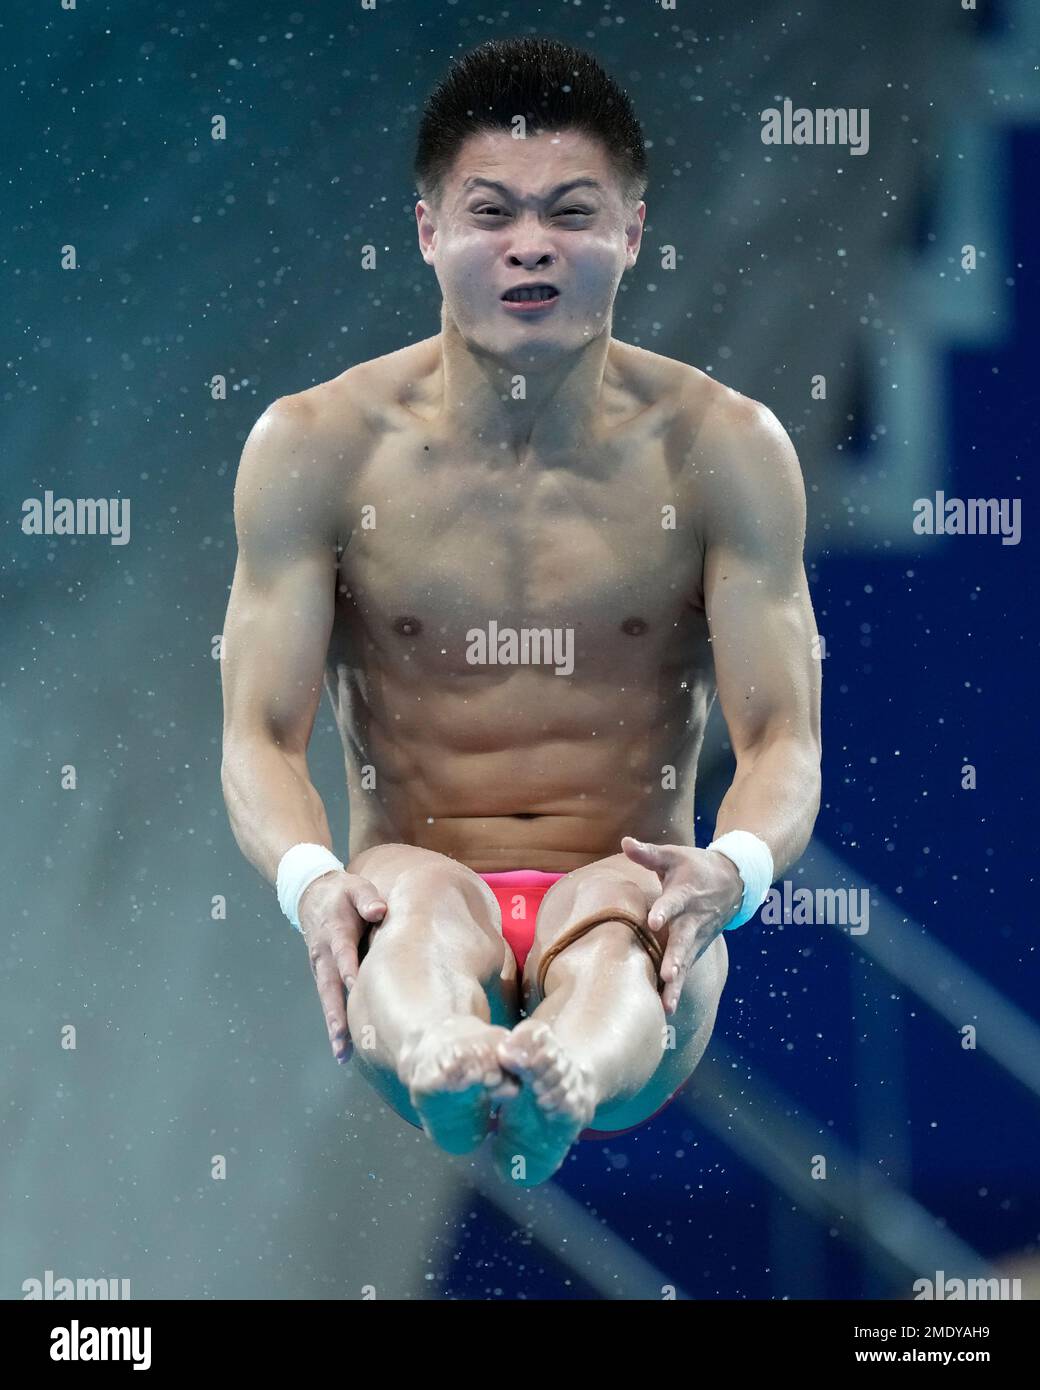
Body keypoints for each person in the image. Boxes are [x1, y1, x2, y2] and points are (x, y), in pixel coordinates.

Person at [220, 36, 822, 1188]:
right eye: (490, 211)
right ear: (427, 232)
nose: (531, 245)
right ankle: (452, 1055)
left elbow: (783, 741)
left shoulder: (725, 454)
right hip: (413, 889)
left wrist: (731, 871)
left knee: (624, 911)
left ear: (632, 233)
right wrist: (313, 887)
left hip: (634, 896)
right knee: (415, 902)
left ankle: (563, 1075)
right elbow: (256, 737)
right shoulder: (316, 450)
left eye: (571, 214)